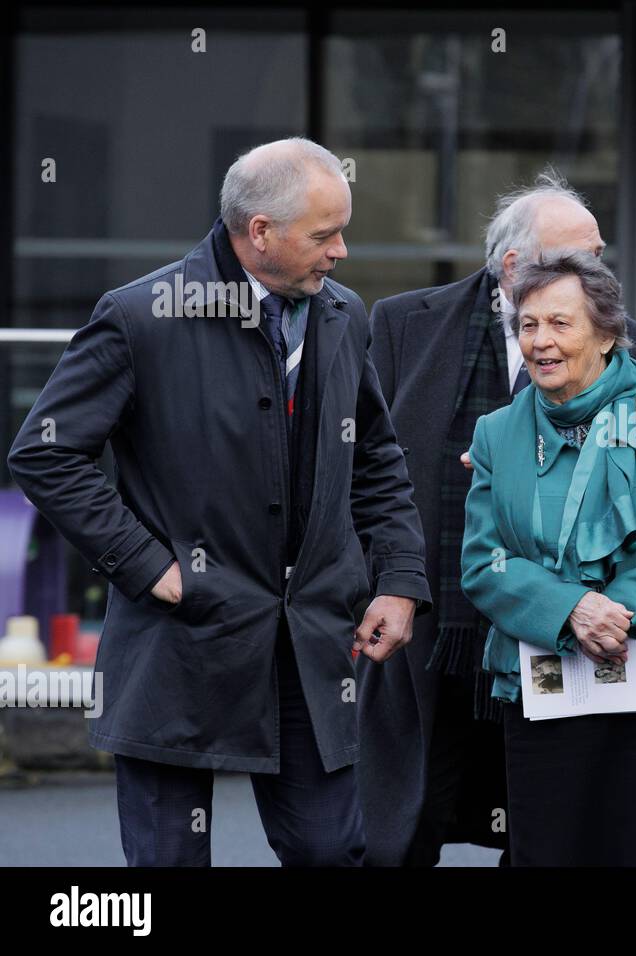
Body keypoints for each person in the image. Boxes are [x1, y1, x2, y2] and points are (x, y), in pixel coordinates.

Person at [6, 138, 431, 866]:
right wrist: (146, 565)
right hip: (179, 642)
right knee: (169, 860)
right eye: (324, 235)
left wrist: (398, 580)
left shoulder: (343, 314)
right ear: (259, 231)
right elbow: (45, 452)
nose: (342, 252)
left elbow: (375, 457)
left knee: (335, 852)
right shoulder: (140, 316)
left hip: (311, 645)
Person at [357, 170, 636, 866]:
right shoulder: (404, 323)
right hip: (428, 617)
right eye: (574, 259)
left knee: (547, 830)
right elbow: (366, 468)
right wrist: (376, 582)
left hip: (560, 624)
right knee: (400, 827)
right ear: (512, 266)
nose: (593, 273)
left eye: (597, 256)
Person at [460, 251, 636, 866]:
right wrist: (569, 609)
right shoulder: (497, 432)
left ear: (609, 333)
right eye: (528, 325)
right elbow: (484, 563)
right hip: (545, 689)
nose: (541, 341)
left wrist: (615, 611)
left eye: (560, 323)